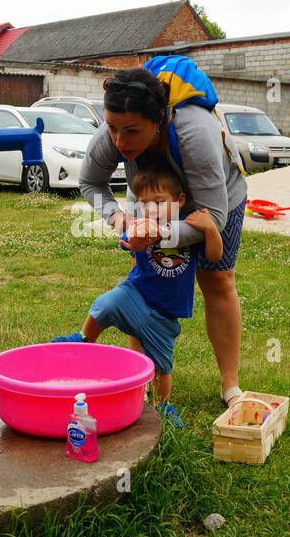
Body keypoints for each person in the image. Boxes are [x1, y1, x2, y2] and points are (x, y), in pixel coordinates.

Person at [77, 56, 249, 409]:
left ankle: (230, 386)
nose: (120, 141)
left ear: (158, 121)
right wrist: (117, 218)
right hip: (154, 196)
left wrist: (162, 234)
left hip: (217, 201)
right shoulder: (116, 129)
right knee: (144, 285)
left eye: (132, 132)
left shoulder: (195, 132)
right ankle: (141, 376)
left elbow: (213, 217)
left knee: (217, 279)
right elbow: (90, 181)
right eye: (112, 128)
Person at [53, 165, 223, 424]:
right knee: (106, 303)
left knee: (162, 366)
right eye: (145, 203)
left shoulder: (188, 230)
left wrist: (210, 230)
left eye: (159, 201)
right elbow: (126, 241)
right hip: (135, 295)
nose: (151, 209)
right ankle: (84, 339)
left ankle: (162, 405)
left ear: (179, 201)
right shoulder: (140, 227)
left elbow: (214, 256)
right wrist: (133, 238)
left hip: (165, 313)